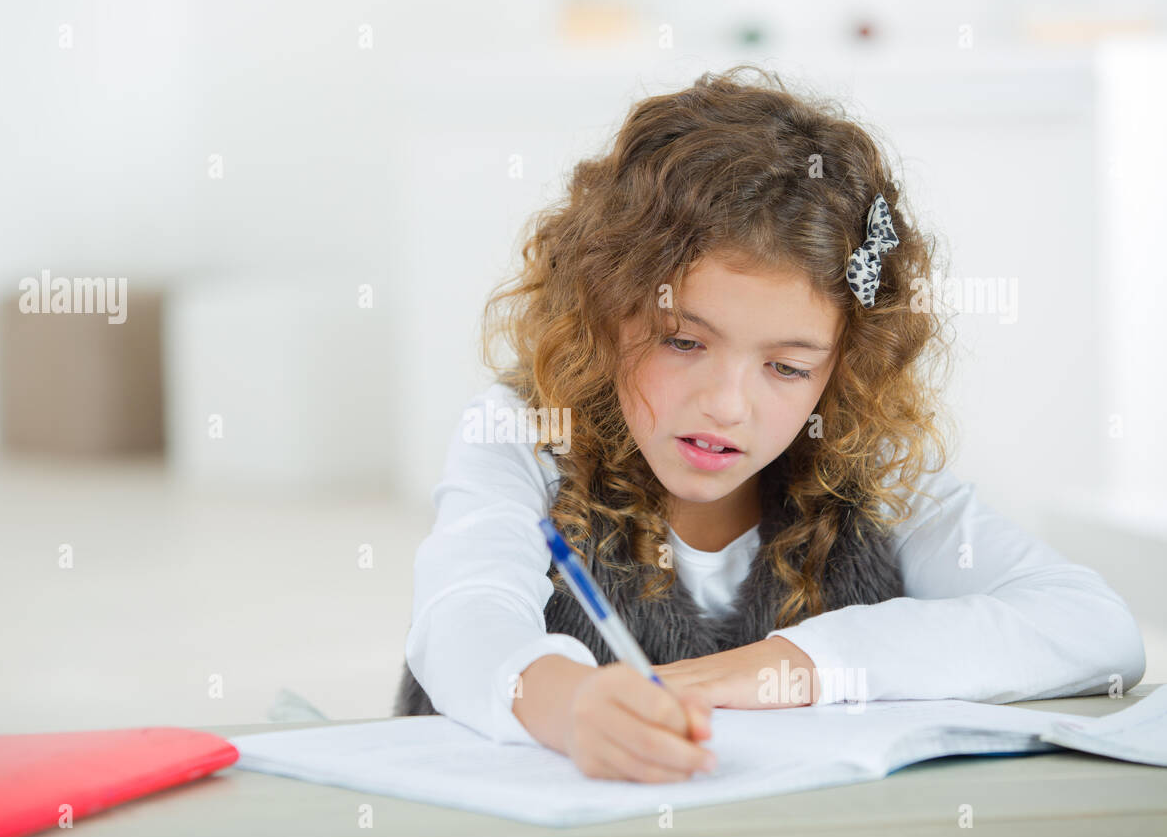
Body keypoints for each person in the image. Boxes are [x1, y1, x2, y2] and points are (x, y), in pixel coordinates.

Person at [393, 65, 1145, 784]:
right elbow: (462, 617)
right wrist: (567, 703)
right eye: (683, 342)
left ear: (843, 366)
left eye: (787, 368)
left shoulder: (866, 461)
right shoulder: (526, 432)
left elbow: (1093, 628)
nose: (726, 405)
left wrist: (798, 665)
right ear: (601, 306)